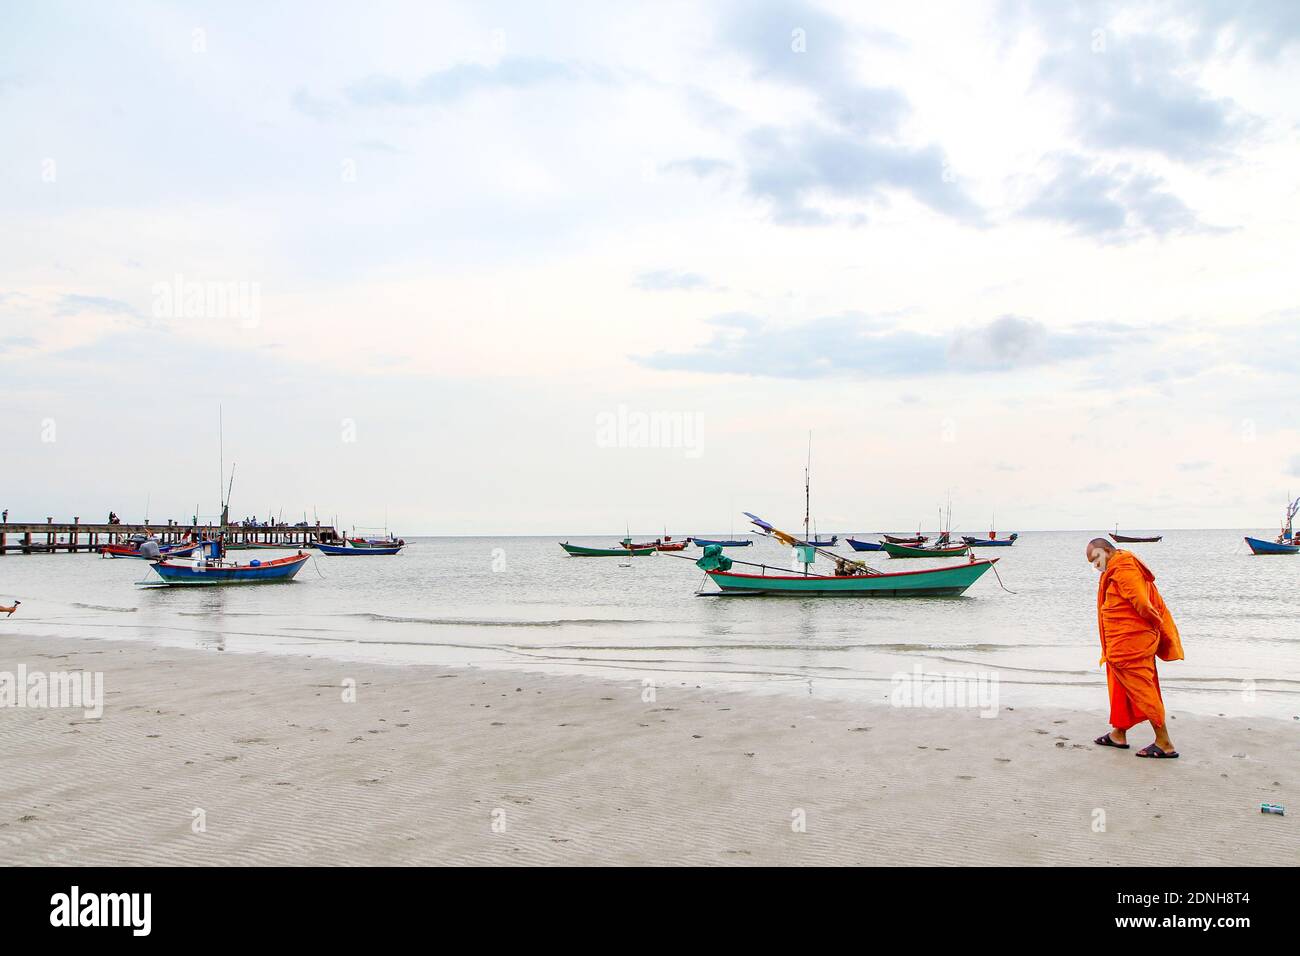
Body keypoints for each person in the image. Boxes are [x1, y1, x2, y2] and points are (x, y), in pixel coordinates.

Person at [1086, 538, 1183, 758]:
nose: (1095, 566)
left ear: (1108, 550)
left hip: (1131, 643)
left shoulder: (1124, 566)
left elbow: (1142, 602)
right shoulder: (1115, 567)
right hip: (1120, 642)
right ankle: (1118, 734)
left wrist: (1153, 627)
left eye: (1096, 559)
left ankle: (1164, 742)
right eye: (1092, 562)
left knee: (1142, 689)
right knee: (1122, 688)